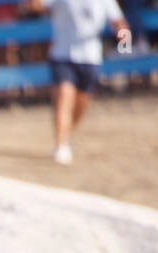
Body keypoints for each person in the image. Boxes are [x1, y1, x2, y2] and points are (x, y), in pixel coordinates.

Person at [30, 0, 130, 164]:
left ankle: (66, 135)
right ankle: (61, 145)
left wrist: (123, 38)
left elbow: (118, 21)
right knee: (63, 97)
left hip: (90, 57)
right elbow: (36, 6)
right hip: (62, 54)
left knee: (81, 103)